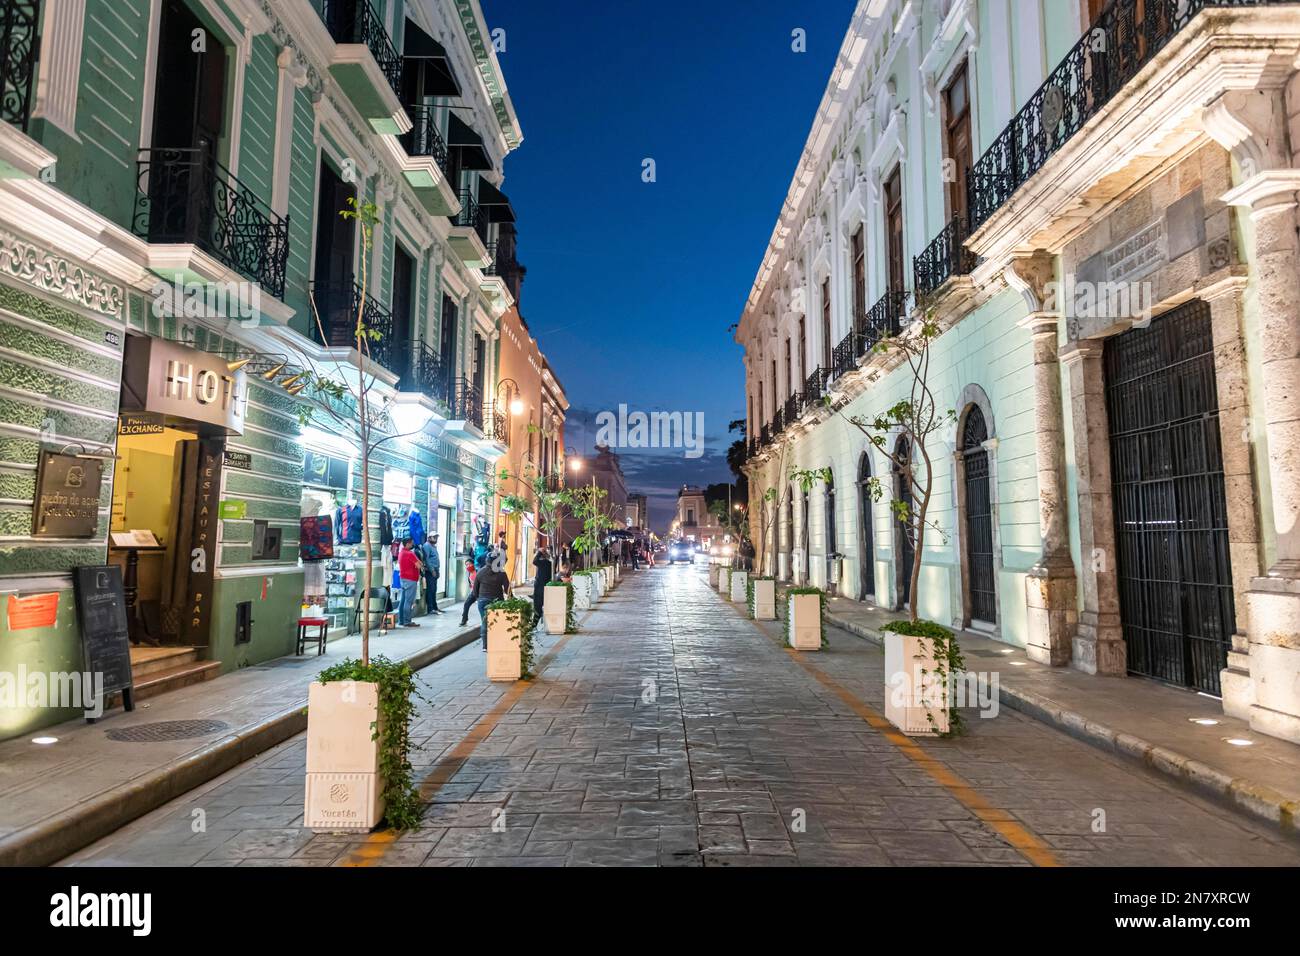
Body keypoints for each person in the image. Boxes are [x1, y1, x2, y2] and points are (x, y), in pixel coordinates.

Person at [469, 547, 511, 650]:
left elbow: (475, 590)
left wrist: (479, 598)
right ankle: (497, 642)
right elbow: (507, 590)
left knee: (485, 622)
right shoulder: (501, 573)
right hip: (497, 601)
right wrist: (512, 598)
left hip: (483, 601)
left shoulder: (481, 572)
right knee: (498, 622)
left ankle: (485, 645)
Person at [396, 538, 421, 628]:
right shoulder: (410, 553)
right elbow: (419, 565)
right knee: (408, 601)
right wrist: (419, 563)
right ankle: (407, 621)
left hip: (403, 579)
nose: (412, 545)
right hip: (410, 579)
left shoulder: (401, 553)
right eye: (411, 543)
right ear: (407, 544)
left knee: (403, 600)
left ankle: (401, 620)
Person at [420, 534, 442, 614]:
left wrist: (437, 570)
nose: (436, 539)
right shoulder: (427, 546)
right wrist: (432, 570)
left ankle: (435, 607)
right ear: (429, 538)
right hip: (430, 571)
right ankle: (430, 608)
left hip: (435, 569)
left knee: (434, 590)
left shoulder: (433, 546)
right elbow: (427, 560)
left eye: (436, 537)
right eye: (434, 537)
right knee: (430, 589)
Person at [459, 553, 481, 626]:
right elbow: (471, 584)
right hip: (474, 592)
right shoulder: (469, 573)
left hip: (480, 592)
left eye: (469, 564)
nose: (468, 566)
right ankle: (464, 619)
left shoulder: (478, 572)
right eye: (466, 565)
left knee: (482, 607)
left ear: (473, 564)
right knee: (466, 604)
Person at [532, 547, 553, 619]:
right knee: (542, 603)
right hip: (546, 585)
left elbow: (534, 561)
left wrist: (540, 552)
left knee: (537, 605)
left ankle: (536, 621)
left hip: (539, 586)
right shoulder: (550, 563)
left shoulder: (542, 563)